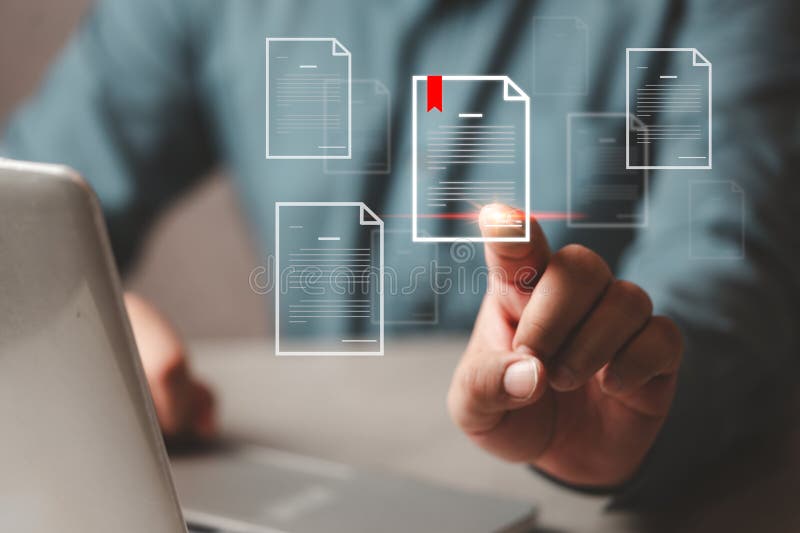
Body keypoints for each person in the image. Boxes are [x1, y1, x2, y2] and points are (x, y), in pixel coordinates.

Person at [2, 0, 799, 509]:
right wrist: (77, 331)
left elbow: (732, 267)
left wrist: (638, 384)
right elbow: (20, 209)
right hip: (299, 489)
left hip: (616, 499)